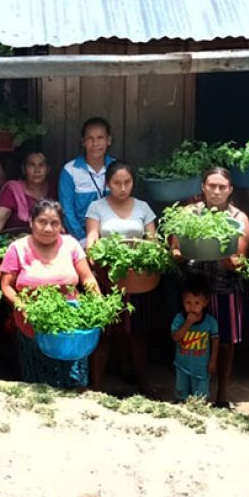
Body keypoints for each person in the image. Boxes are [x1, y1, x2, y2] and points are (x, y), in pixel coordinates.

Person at [0, 199, 100, 389]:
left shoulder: (70, 244)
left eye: (54, 223)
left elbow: (87, 278)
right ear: (31, 222)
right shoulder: (18, 248)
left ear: (61, 225)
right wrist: (23, 306)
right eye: (42, 222)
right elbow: (6, 286)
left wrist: (98, 302)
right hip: (31, 323)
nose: (48, 228)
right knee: (39, 385)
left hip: (71, 322)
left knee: (73, 380)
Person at [173, 167, 249, 408]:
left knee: (225, 341)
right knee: (193, 336)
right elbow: (175, 248)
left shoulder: (239, 218)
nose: (216, 191)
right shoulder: (188, 213)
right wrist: (181, 254)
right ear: (203, 187)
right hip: (195, 287)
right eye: (212, 186)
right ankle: (187, 391)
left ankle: (222, 394)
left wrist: (226, 257)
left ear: (230, 190)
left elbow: (241, 259)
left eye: (222, 187)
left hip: (224, 286)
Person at [84, 161, 158, 395]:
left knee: (137, 333)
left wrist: (144, 257)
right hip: (109, 278)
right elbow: (92, 238)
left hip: (138, 279)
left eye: (127, 182)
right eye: (117, 183)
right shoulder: (97, 207)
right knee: (105, 331)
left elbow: (153, 241)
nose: (123, 187)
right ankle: (97, 386)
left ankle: (144, 383)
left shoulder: (143, 207)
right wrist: (95, 257)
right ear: (108, 184)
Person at [59, 117, 114, 239]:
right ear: (83, 142)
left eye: (100, 138)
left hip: (113, 235)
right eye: (90, 138)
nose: (95, 143)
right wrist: (83, 239)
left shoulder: (117, 168)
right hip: (80, 237)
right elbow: (67, 212)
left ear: (108, 140)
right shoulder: (70, 170)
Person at [171, 276, 219, 403]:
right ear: (183, 302)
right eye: (188, 303)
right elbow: (175, 338)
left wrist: (213, 362)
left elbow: (215, 341)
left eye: (197, 303)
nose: (192, 307)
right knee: (181, 398)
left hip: (202, 368)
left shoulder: (210, 322)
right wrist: (187, 324)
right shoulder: (180, 319)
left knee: (200, 400)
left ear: (205, 302)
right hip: (182, 366)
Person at [0, 150, 53, 233]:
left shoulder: (54, 188)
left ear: (48, 169)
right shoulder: (13, 190)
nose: (37, 170)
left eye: (41, 165)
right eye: (32, 165)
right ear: (24, 169)